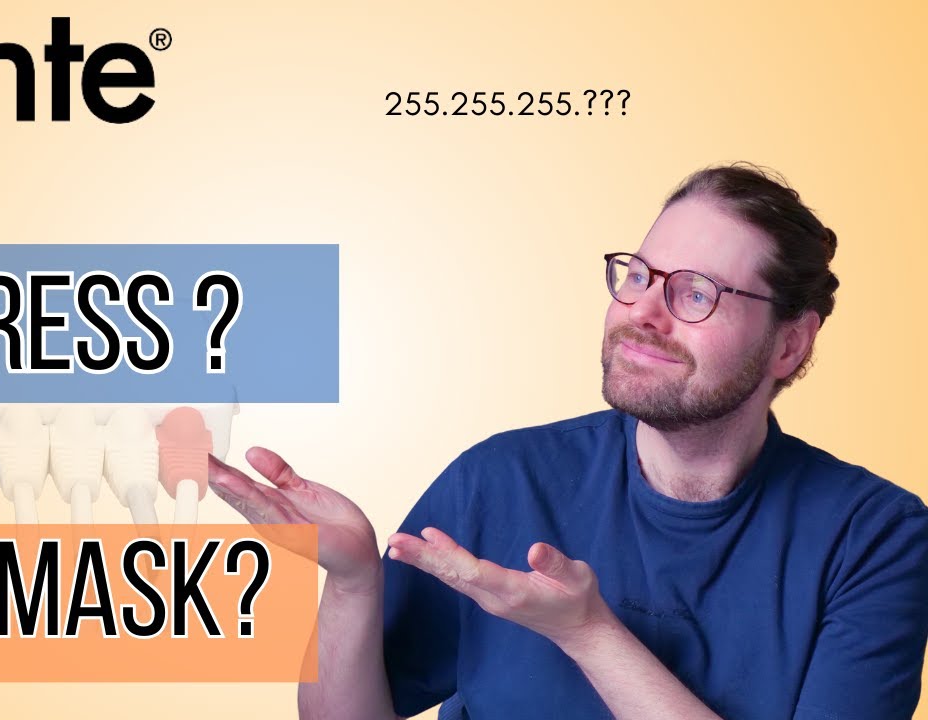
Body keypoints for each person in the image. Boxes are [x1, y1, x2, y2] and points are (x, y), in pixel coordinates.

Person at [206, 162, 928, 720]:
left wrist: (588, 633)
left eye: (696, 293)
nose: (643, 312)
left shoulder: (876, 539)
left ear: (789, 345)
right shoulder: (502, 479)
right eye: (638, 275)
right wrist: (353, 584)